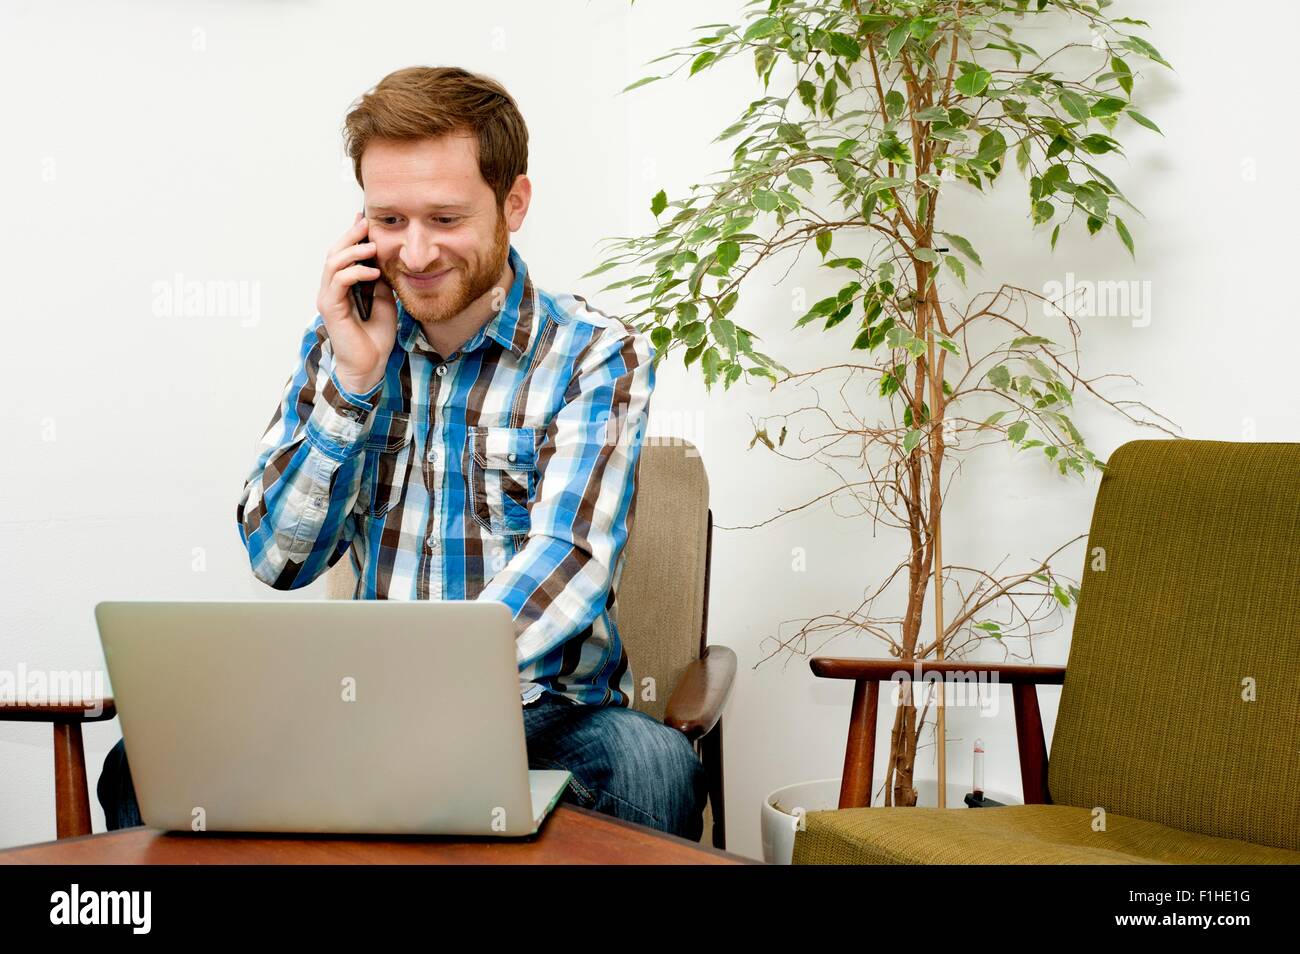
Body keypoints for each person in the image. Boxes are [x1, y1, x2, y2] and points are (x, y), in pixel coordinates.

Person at [97, 65, 707, 842]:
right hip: (359, 709)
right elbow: (278, 560)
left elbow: (571, 557)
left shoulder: (594, 355)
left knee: (654, 771)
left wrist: (429, 696)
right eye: (388, 220)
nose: (414, 253)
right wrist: (353, 382)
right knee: (139, 766)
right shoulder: (339, 343)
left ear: (514, 203)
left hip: (541, 716)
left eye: (445, 218)